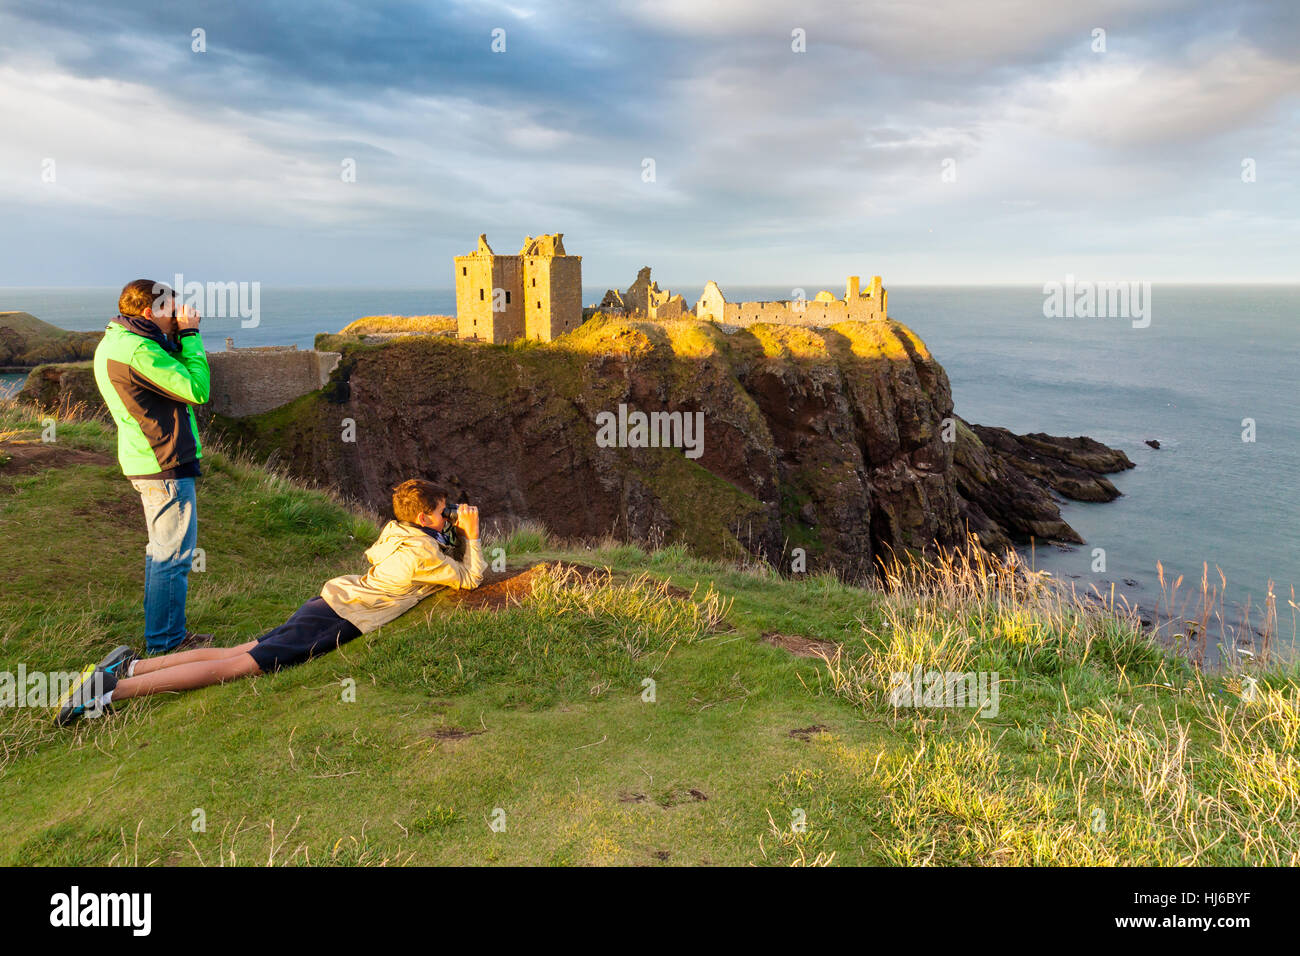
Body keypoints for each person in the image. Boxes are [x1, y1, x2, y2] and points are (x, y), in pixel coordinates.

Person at [55, 480, 484, 725]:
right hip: (340, 620)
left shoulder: (399, 531)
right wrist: (474, 535)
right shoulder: (422, 553)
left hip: (326, 601)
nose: (450, 515)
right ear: (426, 518)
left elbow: (439, 554)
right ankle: (108, 692)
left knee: (237, 651)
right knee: (237, 667)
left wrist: (451, 531)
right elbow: (470, 578)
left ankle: (126, 666)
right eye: (444, 511)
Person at [93, 280, 211, 654]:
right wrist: (191, 335)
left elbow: (162, 374)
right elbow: (196, 390)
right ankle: (166, 643)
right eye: (170, 309)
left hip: (145, 457)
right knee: (171, 557)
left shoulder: (121, 341)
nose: (176, 315)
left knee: (161, 553)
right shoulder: (139, 351)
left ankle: (164, 635)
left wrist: (174, 335)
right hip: (163, 461)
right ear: (149, 312)